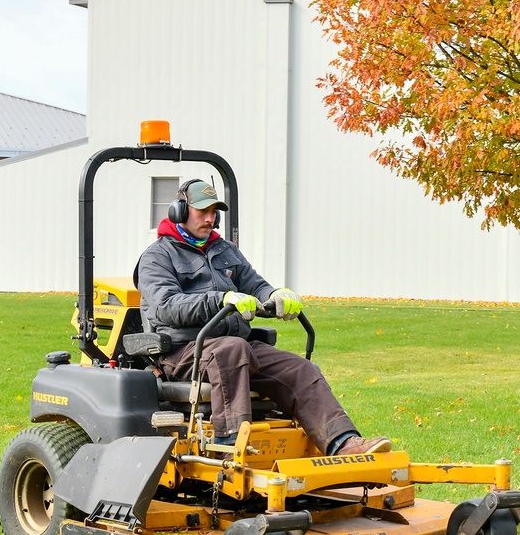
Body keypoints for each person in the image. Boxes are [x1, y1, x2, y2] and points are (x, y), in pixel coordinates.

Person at [134, 179, 390, 456]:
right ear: (180, 212)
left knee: (299, 369)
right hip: (184, 351)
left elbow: (255, 285)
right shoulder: (157, 257)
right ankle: (229, 445)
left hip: (234, 347)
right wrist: (220, 299)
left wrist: (276, 294)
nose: (210, 219)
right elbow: (167, 306)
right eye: (202, 211)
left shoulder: (225, 250)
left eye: (214, 212)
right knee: (232, 350)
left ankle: (344, 443)